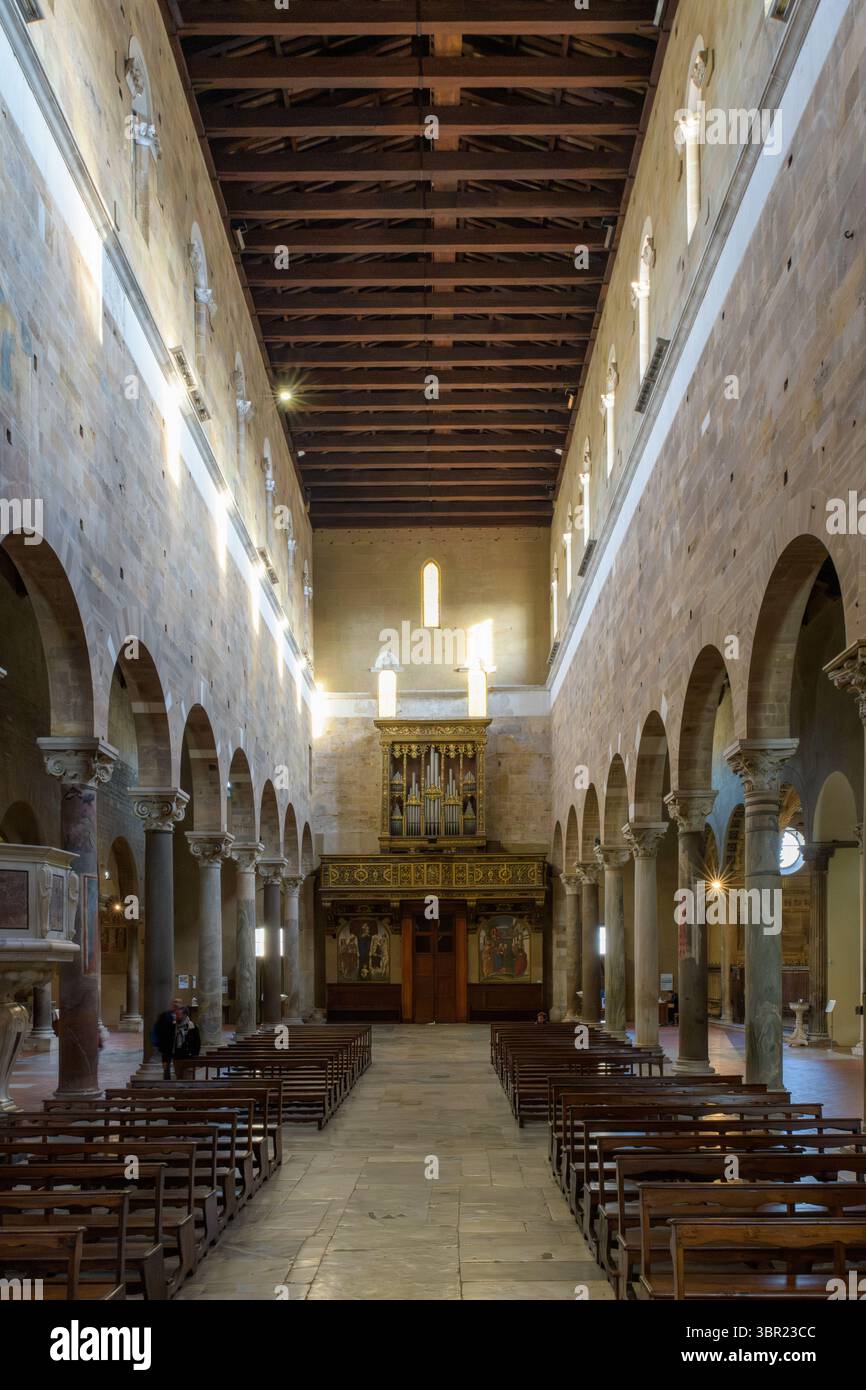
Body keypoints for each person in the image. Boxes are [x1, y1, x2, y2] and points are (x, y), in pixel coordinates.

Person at [151, 999, 198, 1080]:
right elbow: (161, 1033)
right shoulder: (166, 1017)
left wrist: (194, 1054)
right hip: (169, 1050)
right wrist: (160, 1047)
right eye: (175, 1002)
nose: (176, 1004)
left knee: (185, 1076)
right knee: (169, 1071)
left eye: (178, 1002)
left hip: (184, 1054)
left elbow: (196, 1042)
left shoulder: (191, 1026)